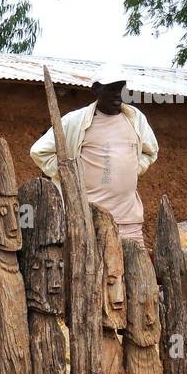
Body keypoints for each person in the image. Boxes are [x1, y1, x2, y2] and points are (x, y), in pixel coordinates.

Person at [30, 64, 159, 245]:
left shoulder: (135, 119)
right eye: (111, 88)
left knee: (133, 270)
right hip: (88, 220)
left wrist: (133, 168)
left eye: (121, 87)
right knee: (93, 271)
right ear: (96, 89)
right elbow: (39, 152)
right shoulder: (75, 121)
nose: (117, 93)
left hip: (129, 221)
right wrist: (71, 174)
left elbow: (150, 151)